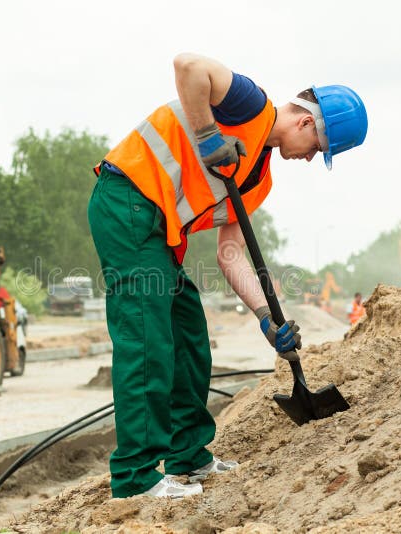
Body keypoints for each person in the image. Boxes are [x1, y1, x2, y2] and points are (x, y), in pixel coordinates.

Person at [88, 53, 367, 499]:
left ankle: (188, 456)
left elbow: (231, 254)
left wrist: (266, 318)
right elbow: (187, 66)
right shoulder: (248, 105)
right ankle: (135, 477)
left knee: (190, 337)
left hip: (157, 228)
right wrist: (207, 137)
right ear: (305, 123)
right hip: (127, 200)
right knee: (147, 338)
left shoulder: (259, 178)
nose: (311, 158)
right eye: (319, 148)